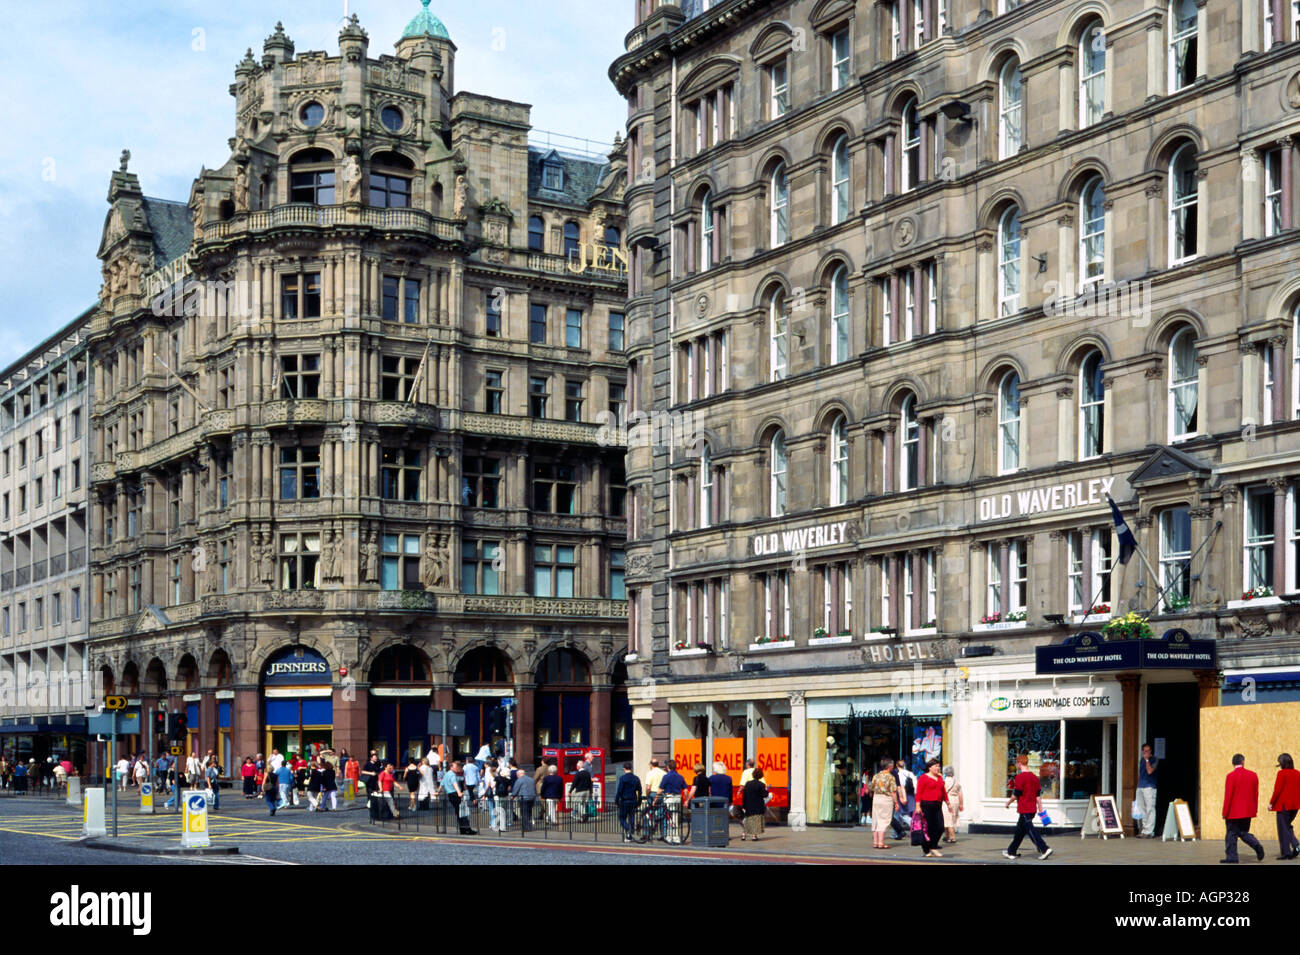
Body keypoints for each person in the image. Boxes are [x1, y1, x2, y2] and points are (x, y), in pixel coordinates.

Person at [1003, 754, 1052, 860]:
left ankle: (1044, 848)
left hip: (1024, 808)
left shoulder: (1020, 777)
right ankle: (1011, 851)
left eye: (1017, 763)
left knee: (1030, 830)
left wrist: (1008, 803)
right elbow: (1038, 796)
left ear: (1019, 763)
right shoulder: (1034, 777)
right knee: (1020, 831)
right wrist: (1040, 809)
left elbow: (1016, 794)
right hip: (1032, 809)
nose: (1017, 765)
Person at [1222, 753, 1265, 863]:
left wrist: (1225, 812)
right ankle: (1256, 845)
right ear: (1243, 762)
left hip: (1233, 812)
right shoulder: (1253, 775)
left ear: (1233, 763)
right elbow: (1255, 794)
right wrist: (1254, 809)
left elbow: (1228, 796)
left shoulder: (1230, 776)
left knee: (1231, 834)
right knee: (1244, 832)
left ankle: (1232, 857)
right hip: (1247, 811)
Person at [916, 758, 949, 858]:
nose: (938, 768)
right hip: (926, 805)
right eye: (936, 766)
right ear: (930, 767)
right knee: (928, 828)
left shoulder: (939, 778)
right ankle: (927, 850)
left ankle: (933, 846)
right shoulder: (923, 778)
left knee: (940, 827)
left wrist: (948, 802)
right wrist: (917, 805)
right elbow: (919, 793)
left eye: (939, 766)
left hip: (937, 805)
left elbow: (943, 791)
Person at [1269, 753, 1300, 860]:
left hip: (1283, 806)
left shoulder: (1281, 774)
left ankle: (1286, 852)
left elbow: (1277, 790)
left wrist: (1271, 803)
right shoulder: (1297, 773)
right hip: (1295, 806)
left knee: (1283, 829)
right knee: (1286, 826)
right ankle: (1294, 845)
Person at [870, 759, 900, 850]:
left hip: (876, 798)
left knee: (876, 819)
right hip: (886, 799)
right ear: (890, 766)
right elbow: (893, 791)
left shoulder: (876, 776)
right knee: (883, 820)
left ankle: (875, 842)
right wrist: (896, 802)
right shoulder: (890, 777)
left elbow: (871, 787)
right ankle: (881, 843)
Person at [660, 759, 687, 843]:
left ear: (668, 767)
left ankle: (671, 836)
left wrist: (655, 799)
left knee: (669, 817)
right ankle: (675, 836)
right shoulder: (680, 776)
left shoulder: (666, 776)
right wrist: (686, 800)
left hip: (669, 797)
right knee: (675, 816)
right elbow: (685, 790)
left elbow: (660, 789)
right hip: (678, 798)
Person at [615, 762, 642, 841]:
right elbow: (639, 791)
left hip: (624, 801)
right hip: (633, 800)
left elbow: (619, 791)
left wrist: (616, 801)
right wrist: (639, 802)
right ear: (631, 768)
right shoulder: (636, 778)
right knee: (632, 818)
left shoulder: (623, 778)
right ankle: (630, 832)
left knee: (621, 817)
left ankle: (627, 829)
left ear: (624, 769)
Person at [1137, 743, 1159, 838]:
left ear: (1151, 751)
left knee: (1150, 808)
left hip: (1150, 787)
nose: (1147, 752)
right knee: (1142, 809)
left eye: (1148, 751)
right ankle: (1144, 830)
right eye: (1145, 751)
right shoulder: (1141, 760)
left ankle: (1149, 831)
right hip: (1141, 786)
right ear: (1142, 751)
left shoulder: (1154, 759)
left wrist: (1147, 760)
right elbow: (1140, 773)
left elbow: (1150, 771)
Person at [741, 767, 769, 842]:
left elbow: (744, 795)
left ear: (753, 775)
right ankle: (754, 836)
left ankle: (743, 835)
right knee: (756, 820)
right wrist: (767, 790)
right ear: (761, 775)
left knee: (747, 819)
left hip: (748, 804)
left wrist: (743, 806)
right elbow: (765, 795)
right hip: (757, 805)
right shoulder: (761, 785)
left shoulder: (747, 784)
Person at [941, 766, 965, 843]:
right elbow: (960, 794)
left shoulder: (944, 781)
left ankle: (952, 837)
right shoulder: (956, 781)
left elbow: (942, 792)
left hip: (947, 800)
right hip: (956, 800)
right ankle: (947, 835)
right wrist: (961, 804)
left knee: (947, 819)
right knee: (952, 817)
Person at [511, 765, 537, 831]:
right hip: (531, 798)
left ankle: (526, 827)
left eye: (517, 775)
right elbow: (534, 789)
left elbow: (515, 789)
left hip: (524, 798)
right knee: (529, 812)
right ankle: (528, 826)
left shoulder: (519, 780)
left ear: (519, 774)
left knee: (524, 813)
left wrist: (513, 796)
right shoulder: (531, 779)